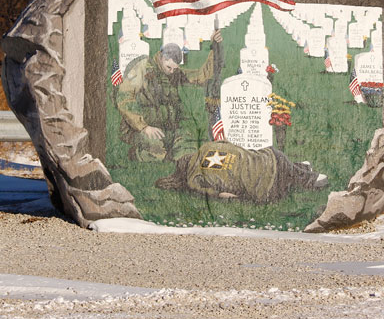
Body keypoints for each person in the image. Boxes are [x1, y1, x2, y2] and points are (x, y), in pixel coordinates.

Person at [116, 30, 222, 161]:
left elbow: (201, 76)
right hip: (139, 128)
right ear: (162, 58)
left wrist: (214, 48)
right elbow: (124, 99)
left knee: (187, 149)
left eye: (174, 69)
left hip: (166, 127)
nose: (172, 72)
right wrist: (144, 127)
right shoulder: (142, 68)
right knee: (158, 150)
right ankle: (137, 153)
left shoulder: (174, 72)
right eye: (169, 67)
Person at [154, 141, 328, 204]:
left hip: (264, 188)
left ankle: (302, 172)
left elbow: (209, 191)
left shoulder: (193, 179)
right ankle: (305, 174)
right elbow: (229, 144)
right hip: (270, 156)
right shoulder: (207, 146)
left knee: (275, 173)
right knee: (274, 164)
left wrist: (222, 194)